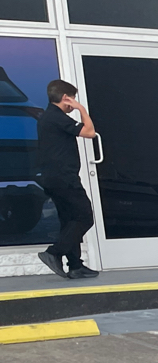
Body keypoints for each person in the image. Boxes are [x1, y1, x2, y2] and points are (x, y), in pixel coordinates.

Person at [36, 78, 98, 279]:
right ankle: (54, 253)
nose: (73, 104)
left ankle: (75, 265)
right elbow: (90, 132)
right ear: (65, 98)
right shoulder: (57, 117)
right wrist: (81, 109)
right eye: (73, 99)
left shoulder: (47, 117)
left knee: (70, 220)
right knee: (84, 217)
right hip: (63, 177)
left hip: (53, 177)